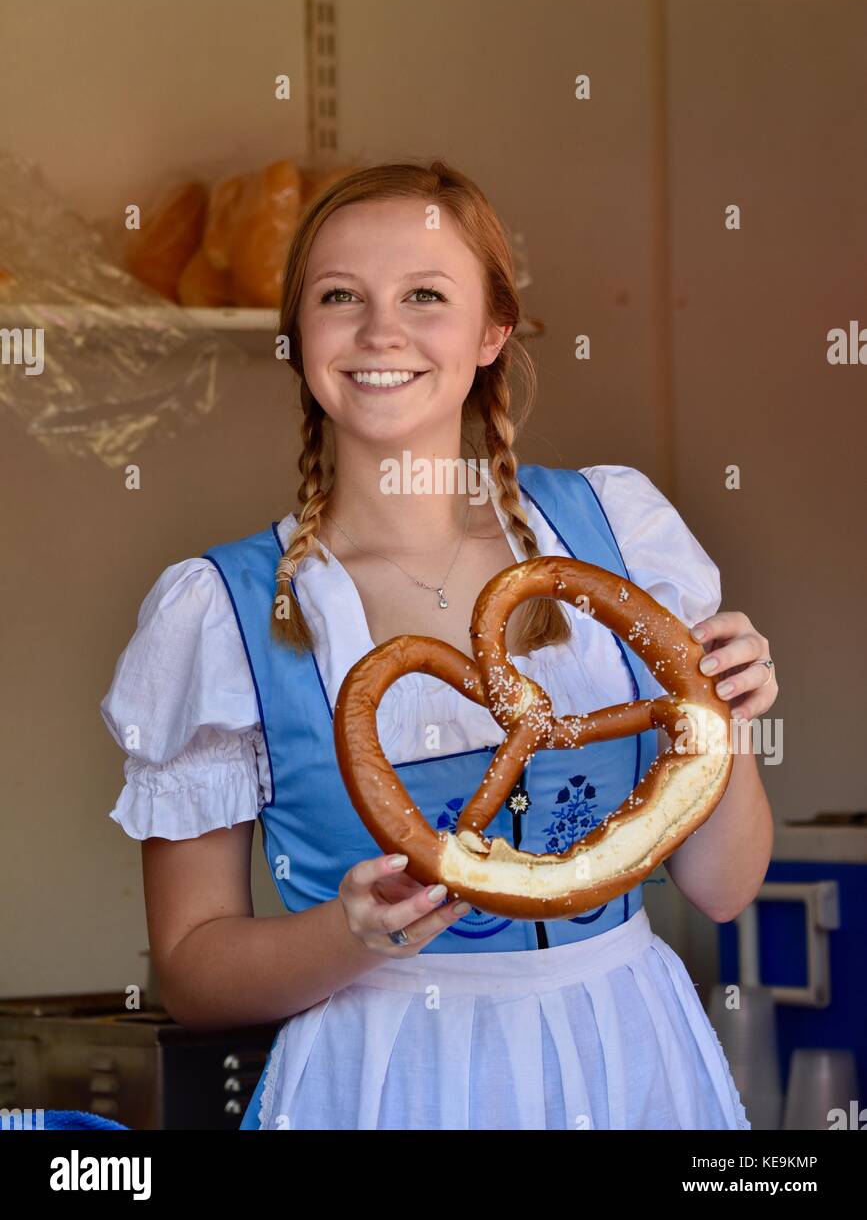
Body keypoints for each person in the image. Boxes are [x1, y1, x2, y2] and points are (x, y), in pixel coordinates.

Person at [100, 159, 777, 1130]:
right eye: (341, 297)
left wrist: (725, 718)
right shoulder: (221, 611)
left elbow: (723, 886)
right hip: (381, 1080)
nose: (382, 332)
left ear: (492, 329)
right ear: (296, 339)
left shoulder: (620, 534)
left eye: (426, 294)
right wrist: (352, 932)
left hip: (629, 1058)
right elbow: (195, 971)